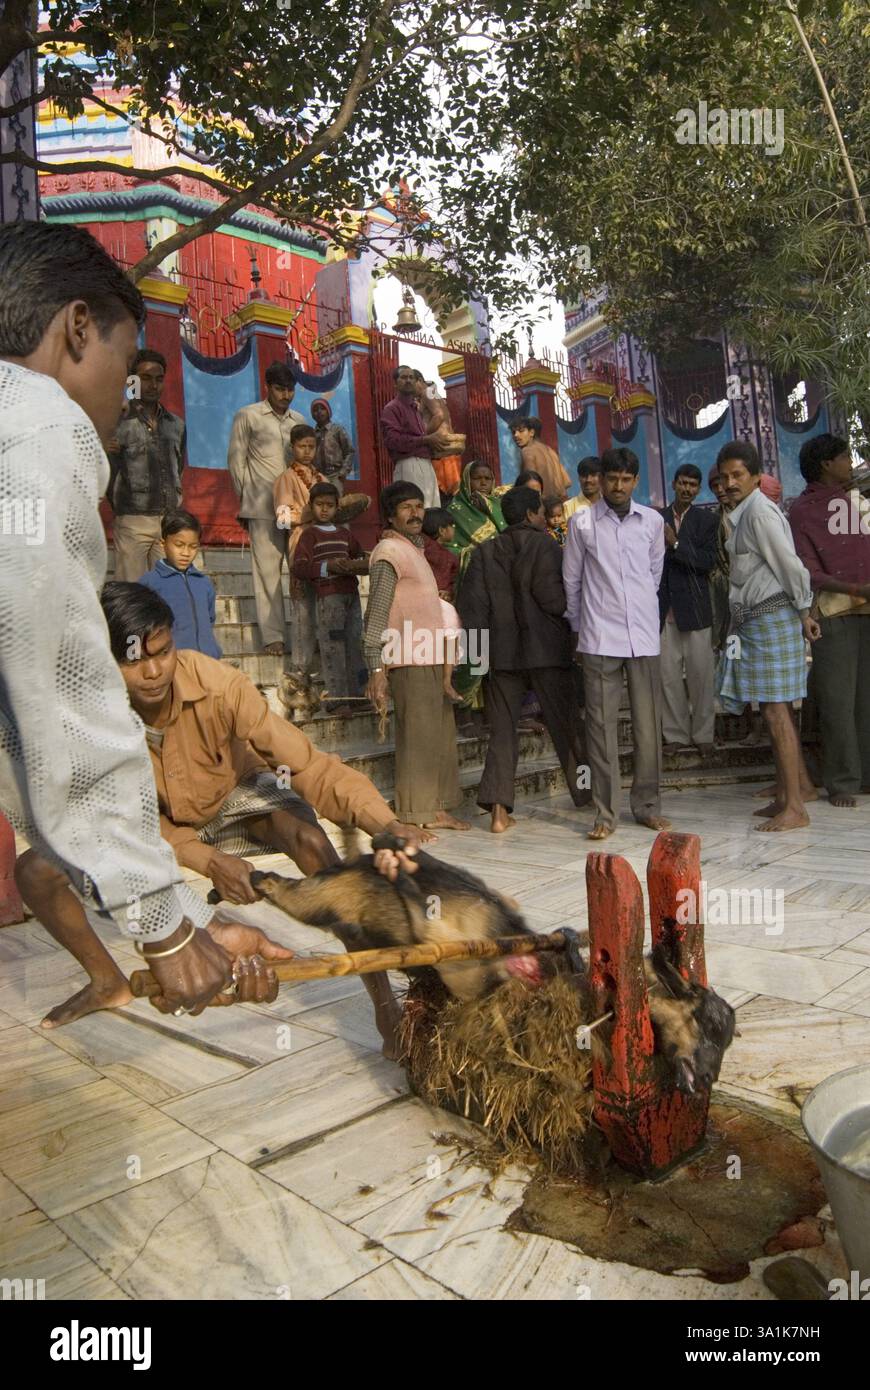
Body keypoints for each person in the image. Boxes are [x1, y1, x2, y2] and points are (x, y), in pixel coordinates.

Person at [0, 220, 292, 1029]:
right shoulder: (37, 425)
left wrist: (172, 916)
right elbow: (64, 692)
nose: (122, 397)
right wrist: (164, 928)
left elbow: (19, 723)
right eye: (125, 368)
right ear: (76, 327)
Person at [100, 581, 417, 1055]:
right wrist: (209, 861)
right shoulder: (96, 719)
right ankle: (102, 980)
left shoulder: (220, 686)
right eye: (132, 661)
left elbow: (305, 764)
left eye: (162, 652)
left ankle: (382, 1000)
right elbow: (126, 822)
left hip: (236, 787)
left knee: (313, 845)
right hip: (162, 822)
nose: (152, 672)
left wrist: (382, 824)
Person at [459, 487, 590, 832]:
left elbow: (473, 611)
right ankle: (586, 791)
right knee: (568, 729)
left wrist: (476, 663)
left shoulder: (483, 553)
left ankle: (499, 812)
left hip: (501, 657)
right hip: (547, 651)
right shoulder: (545, 545)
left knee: (502, 732)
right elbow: (553, 600)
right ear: (533, 514)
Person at [563, 446, 671, 840]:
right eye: (613, 479)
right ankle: (605, 814)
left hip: (643, 637)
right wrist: (580, 627)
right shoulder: (582, 524)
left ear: (636, 481)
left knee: (647, 727)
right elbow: (571, 580)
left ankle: (647, 806)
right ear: (601, 480)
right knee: (601, 728)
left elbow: (654, 574)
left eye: (627, 480)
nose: (619, 486)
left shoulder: (652, 522)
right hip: (598, 636)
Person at [715, 440, 820, 832]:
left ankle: (795, 807)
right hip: (757, 623)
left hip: (774, 618)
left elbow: (791, 566)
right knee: (773, 711)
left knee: (776, 712)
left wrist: (806, 610)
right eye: (725, 476)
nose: (729, 482)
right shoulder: (742, 515)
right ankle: (793, 791)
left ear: (756, 477)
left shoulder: (760, 513)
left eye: (738, 475)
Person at [364, 482, 470, 831]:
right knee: (416, 739)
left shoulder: (417, 551)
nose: (415, 513)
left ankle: (437, 809)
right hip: (406, 656)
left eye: (419, 506)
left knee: (438, 737)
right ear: (391, 515)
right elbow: (377, 610)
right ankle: (414, 814)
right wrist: (376, 667)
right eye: (406, 507)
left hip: (430, 656)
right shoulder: (387, 552)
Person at [789, 433, 870, 808]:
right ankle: (841, 781)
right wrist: (855, 587)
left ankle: (865, 775)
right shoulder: (802, 510)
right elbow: (806, 568)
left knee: (865, 699)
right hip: (833, 612)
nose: (850, 464)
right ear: (826, 464)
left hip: (866, 610)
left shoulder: (852, 503)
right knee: (838, 702)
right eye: (844, 457)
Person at [226, 362, 304, 655]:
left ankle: (305, 634)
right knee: (267, 573)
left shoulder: (298, 419)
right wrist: (247, 501)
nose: (286, 395)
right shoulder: (248, 416)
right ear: (267, 388)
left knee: (300, 570)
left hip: (294, 510)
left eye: (290, 390)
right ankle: (274, 637)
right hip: (263, 506)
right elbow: (236, 462)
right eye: (280, 389)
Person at [106, 347, 186, 580]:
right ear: (132, 381)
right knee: (133, 593)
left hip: (168, 520)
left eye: (159, 379)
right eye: (146, 378)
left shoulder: (176, 425)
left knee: (168, 591)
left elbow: (178, 467)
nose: (153, 385)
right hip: (132, 519)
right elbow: (106, 469)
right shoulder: (117, 422)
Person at [292, 482, 368, 716]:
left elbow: (359, 555)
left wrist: (361, 563)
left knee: (355, 643)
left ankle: (357, 696)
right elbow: (300, 567)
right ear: (311, 507)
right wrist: (328, 566)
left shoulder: (345, 534)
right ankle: (337, 699)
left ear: (337, 508)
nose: (324, 510)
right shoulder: (309, 535)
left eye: (330, 505)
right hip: (328, 597)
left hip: (351, 595)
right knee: (332, 646)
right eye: (319, 505)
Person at [658, 464, 718, 754]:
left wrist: (676, 544)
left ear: (698, 489)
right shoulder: (656, 518)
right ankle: (676, 736)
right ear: (674, 483)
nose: (687, 489)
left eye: (693, 485)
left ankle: (704, 735)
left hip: (695, 608)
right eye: (683, 483)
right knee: (668, 677)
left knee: (701, 676)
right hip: (664, 609)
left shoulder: (707, 520)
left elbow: (707, 562)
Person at [274, 422, 324, 677]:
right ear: (292, 447)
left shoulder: (320, 477)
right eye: (302, 446)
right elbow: (282, 519)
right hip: (301, 544)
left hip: (324, 546)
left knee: (325, 604)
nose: (307, 451)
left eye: (311, 446)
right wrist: (308, 514)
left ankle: (323, 662)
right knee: (303, 607)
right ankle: (300, 665)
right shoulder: (286, 478)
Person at [139, 509, 221, 658]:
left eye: (193, 546)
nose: (186, 553)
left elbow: (210, 620)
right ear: (163, 543)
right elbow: (141, 629)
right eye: (179, 544)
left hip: (208, 661)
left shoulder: (204, 583)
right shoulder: (148, 584)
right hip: (173, 663)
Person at [379, 364, 440, 509]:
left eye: (411, 377)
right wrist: (426, 439)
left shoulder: (416, 408)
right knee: (414, 511)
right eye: (404, 377)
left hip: (426, 464)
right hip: (409, 464)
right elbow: (394, 441)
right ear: (395, 383)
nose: (408, 381)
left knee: (432, 510)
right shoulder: (392, 408)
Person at [413, 370, 465, 498]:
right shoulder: (430, 393)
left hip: (442, 451)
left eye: (412, 383)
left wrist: (423, 436)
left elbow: (439, 416)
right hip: (444, 450)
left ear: (419, 380)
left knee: (446, 493)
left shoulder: (427, 393)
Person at [511, 416, 571, 499]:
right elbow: (567, 482)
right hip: (560, 505)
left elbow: (531, 484)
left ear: (532, 432)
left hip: (543, 506)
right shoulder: (551, 451)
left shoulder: (527, 451)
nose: (516, 435)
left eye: (521, 431)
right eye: (513, 432)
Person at [311, 397, 354, 494]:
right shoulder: (312, 434)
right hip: (318, 476)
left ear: (328, 411)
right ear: (312, 415)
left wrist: (343, 472)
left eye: (322, 408)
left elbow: (349, 451)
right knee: (319, 500)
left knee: (335, 501)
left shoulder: (337, 430)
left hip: (335, 475)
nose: (319, 412)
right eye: (315, 410)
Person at [421, 507, 459, 599]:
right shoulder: (448, 557)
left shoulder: (417, 546)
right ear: (442, 530)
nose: (454, 530)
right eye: (452, 526)